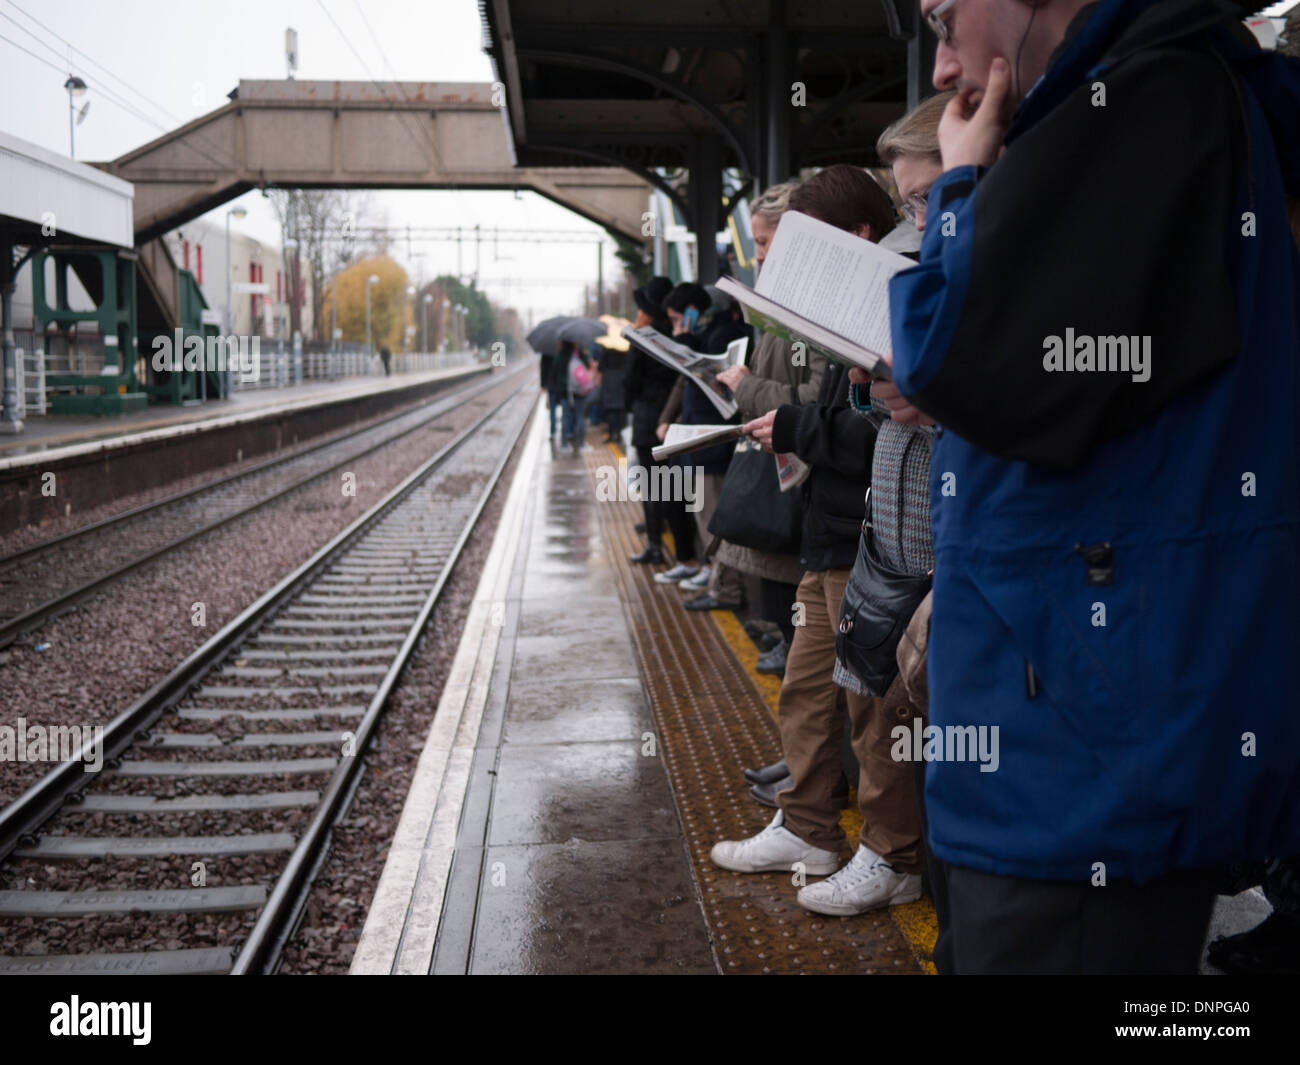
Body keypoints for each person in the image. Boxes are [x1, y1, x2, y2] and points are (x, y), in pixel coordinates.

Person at [881, 0, 1300, 973]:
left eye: (944, 19)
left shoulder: (1141, 101)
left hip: (1078, 741)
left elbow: (957, 355)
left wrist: (956, 189)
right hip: (1077, 702)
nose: (942, 67)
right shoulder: (1161, 94)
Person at [710, 165, 908, 910]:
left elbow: (875, 428)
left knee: (872, 704)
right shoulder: (846, 305)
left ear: (857, 239)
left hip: (868, 530)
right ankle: (809, 826)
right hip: (828, 527)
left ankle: (893, 852)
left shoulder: (890, 298)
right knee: (808, 688)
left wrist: (793, 425)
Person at [790, 93, 953, 919]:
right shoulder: (912, 262)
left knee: (906, 706)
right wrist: (871, 387)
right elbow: (879, 407)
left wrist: (930, 390)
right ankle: (888, 850)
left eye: (926, 199)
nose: (915, 217)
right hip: (890, 518)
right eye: (908, 201)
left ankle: (899, 857)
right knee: (877, 694)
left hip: (942, 523)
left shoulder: (976, 266)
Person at [712, 181, 820, 676]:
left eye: (762, 241)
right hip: (784, 476)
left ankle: (811, 755)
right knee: (785, 616)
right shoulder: (783, 302)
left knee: (803, 638)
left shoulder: (814, 307)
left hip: (799, 484)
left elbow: (813, 400)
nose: (755, 256)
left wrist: (747, 387)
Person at [624, 276, 689, 566]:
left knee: (651, 486)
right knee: (672, 483)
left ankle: (654, 546)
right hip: (674, 417)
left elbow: (629, 382)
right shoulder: (676, 335)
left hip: (647, 419)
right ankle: (681, 548)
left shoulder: (641, 339)